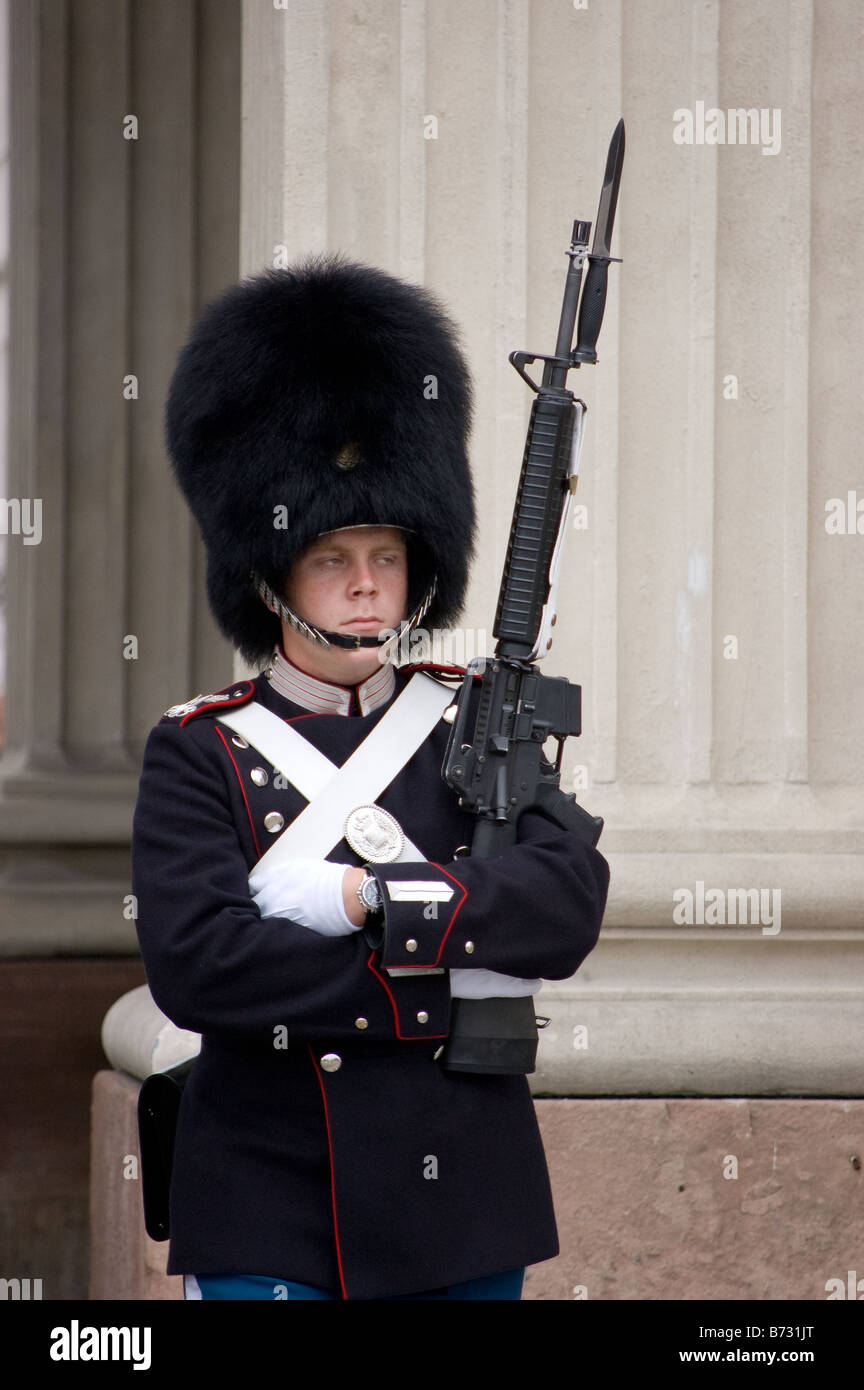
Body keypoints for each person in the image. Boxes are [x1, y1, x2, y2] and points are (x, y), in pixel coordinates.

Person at [131, 256, 610, 1301]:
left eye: (386, 555)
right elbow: (205, 969)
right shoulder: (199, 748)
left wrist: (362, 901)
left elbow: (566, 904)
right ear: (273, 579)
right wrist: (441, 971)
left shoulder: (470, 722)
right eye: (330, 555)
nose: (362, 583)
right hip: (271, 1195)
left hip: (465, 1200)